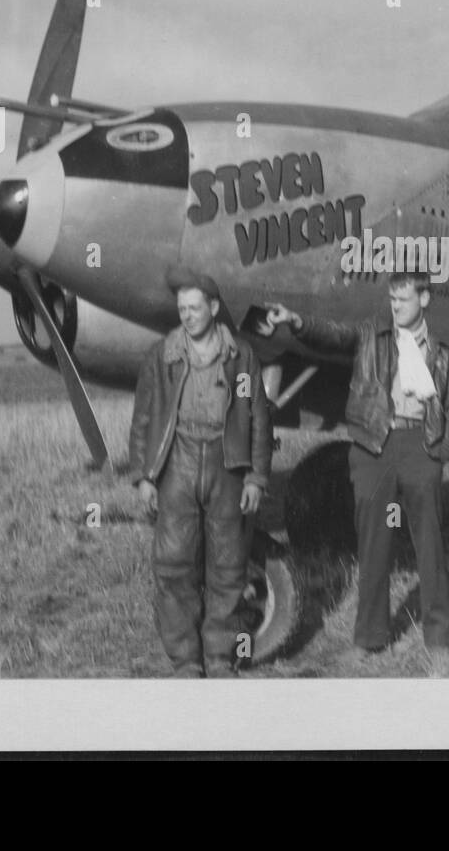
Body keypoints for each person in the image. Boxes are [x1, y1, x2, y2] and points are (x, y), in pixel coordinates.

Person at [264, 271, 449, 654]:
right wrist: (297, 322)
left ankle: (439, 637)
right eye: (392, 299)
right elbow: (335, 334)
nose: (395, 306)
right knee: (375, 541)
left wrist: (438, 454)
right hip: (376, 447)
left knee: (430, 542)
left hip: (420, 446)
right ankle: (371, 637)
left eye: (403, 299)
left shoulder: (442, 355)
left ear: (424, 300)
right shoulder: (372, 338)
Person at [128, 264, 271, 678]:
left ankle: (220, 657)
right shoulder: (163, 356)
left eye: (194, 307)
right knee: (174, 565)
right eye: (181, 308)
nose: (187, 315)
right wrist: (143, 476)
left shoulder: (240, 355)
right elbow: (144, 418)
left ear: (212, 307)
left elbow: (259, 418)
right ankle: (186, 660)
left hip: (227, 465)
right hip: (178, 462)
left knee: (227, 566)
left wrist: (257, 476)